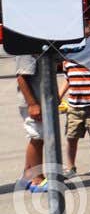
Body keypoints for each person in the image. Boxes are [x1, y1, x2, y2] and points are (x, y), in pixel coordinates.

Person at [61, 58, 90, 179]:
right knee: (71, 137)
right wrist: (59, 95)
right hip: (74, 107)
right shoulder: (67, 61)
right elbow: (68, 80)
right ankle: (70, 167)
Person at [16, 54, 45, 192]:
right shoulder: (26, 48)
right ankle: (37, 178)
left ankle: (27, 175)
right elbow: (21, 77)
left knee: (40, 137)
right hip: (33, 103)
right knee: (37, 138)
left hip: (41, 101)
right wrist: (32, 103)